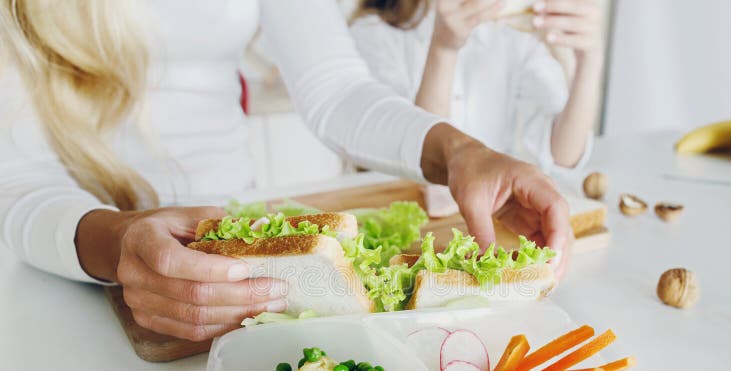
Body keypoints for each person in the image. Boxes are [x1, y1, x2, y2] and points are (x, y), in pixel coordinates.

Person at [0, 0, 572, 342]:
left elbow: (336, 89)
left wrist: (458, 151)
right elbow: (19, 185)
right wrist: (120, 241)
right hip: (78, 271)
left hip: (243, 248)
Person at [350, 0, 604, 214]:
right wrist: (444, 48)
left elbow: (562, 155)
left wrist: (588, 59)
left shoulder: (512, 33)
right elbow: (417, 169)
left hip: (486, 221)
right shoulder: (373, 32)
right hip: (399, 221)